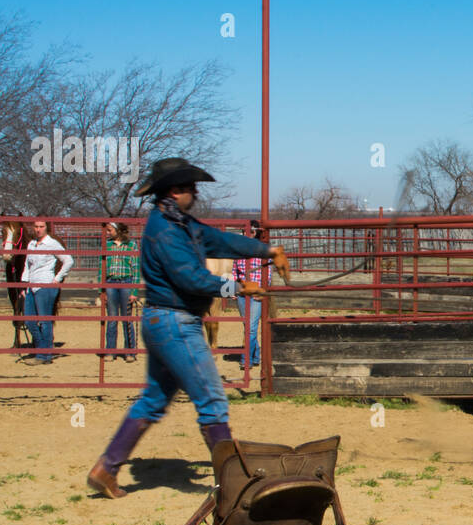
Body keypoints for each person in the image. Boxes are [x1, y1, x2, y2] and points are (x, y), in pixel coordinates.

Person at [85, 157, 289, 499]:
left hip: (164, 322)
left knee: (153, 400)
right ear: (172, 192)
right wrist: (236, 288)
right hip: (175, 322)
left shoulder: (180, 225)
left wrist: (267, 250)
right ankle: (232, 482)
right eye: (188, 188)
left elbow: (219, 240)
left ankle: (107, 467)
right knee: (211, 399)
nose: (194, 192)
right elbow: (189, 278)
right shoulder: (164, 231)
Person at [21, 220, 73, 365]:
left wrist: (57, 279)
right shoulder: (31, 244)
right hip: (31, 286)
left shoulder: (52, 244)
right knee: (28, 320)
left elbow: (68, 261)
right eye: (36, 227)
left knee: (45, 321)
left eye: (41, 227)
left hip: (45, 285)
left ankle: (44, 355)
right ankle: (42, 347)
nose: (38, 229)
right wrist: (24, 285)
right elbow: (27, 265)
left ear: (46, 228)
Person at [102, 222, 140, 362]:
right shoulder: (107, 245)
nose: (107, 233)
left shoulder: (132, 245)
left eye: (109, 230)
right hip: (111, 283)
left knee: (127, 318)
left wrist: (134, 291)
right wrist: (103, 289)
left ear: (117, 230)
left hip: (126, 282)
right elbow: (103, 267)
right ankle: (110, 351)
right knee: (112, 318)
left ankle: (130, 351)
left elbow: (135, 269)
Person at [233, 221, 268, 369]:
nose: (248, 234)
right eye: (245, 231)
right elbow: (235, 272)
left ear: (257, 233)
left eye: (251, 231)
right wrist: (231, 290)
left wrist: (263, 291)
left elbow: (268, 273)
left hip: (255, 293)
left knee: (251, 328)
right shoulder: (239, 251)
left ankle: (245, 359)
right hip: (242, 292)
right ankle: (256, 356)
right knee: (248, 326)